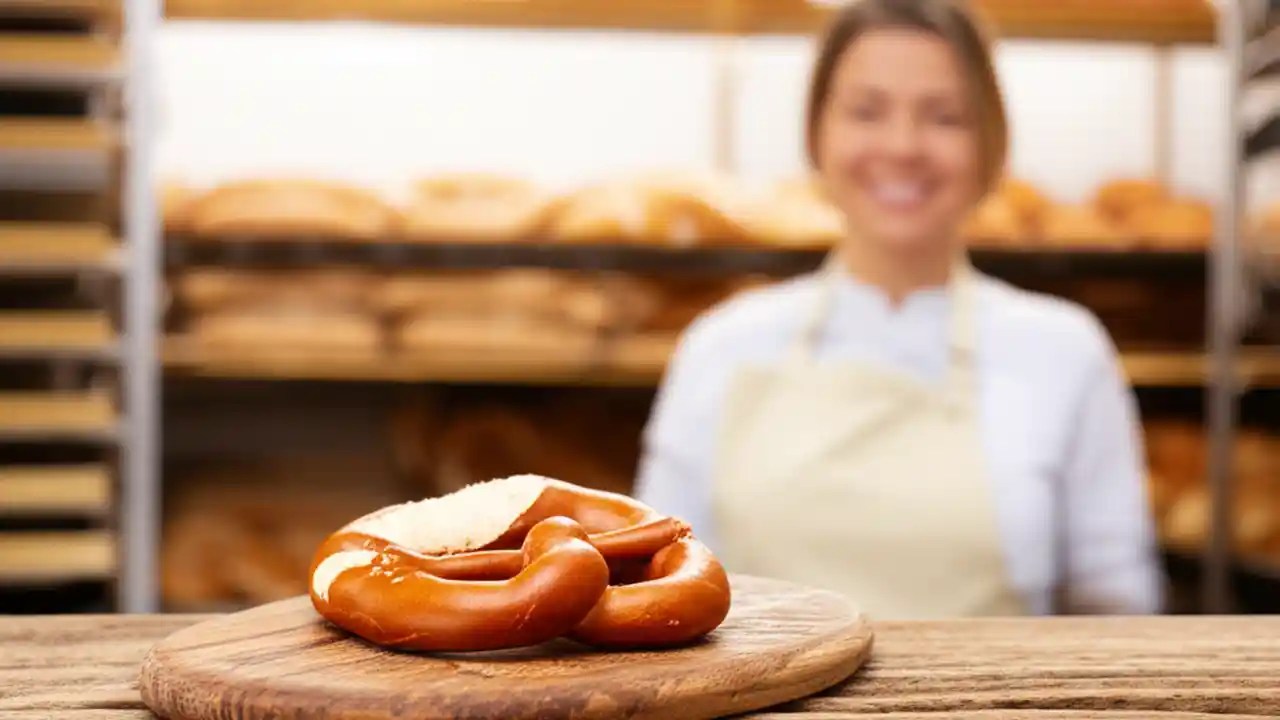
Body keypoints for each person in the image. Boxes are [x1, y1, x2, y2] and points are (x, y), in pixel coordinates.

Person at [633, 0, 1163, 618]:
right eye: (866, 111)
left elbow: (1117, 605)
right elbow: (657, 590)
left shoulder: (1065, 351)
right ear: (816, 135)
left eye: (944, 117)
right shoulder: (721, 346)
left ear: (992, 144)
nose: (903, 145)